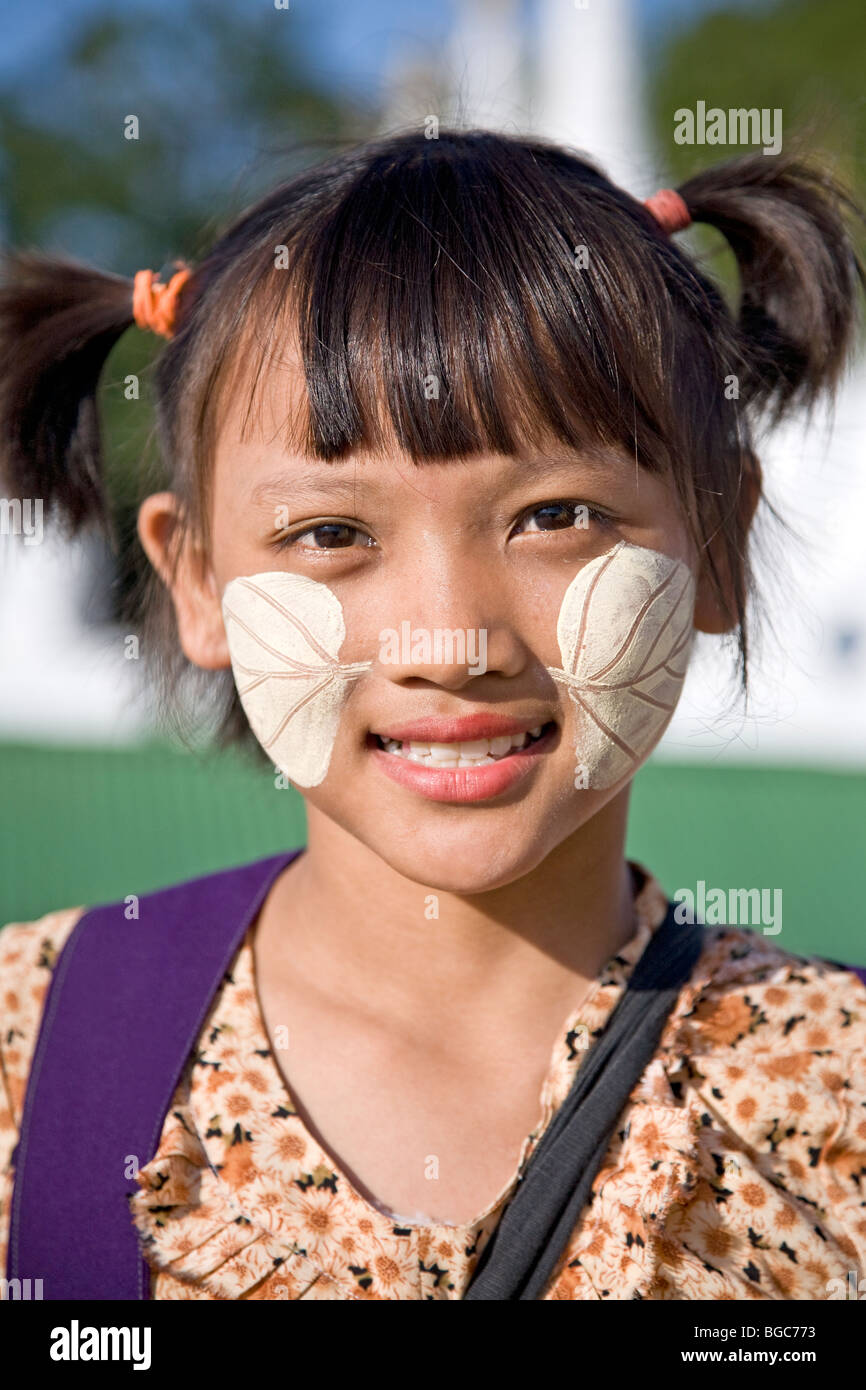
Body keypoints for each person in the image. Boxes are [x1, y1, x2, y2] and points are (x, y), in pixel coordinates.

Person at [1, 127, 865, 1301]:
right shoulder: (30, 1048)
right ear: (197, 579)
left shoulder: (833, 1086)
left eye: (556, 515)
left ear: (716, 545)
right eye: (330, 534)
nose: (448, 641)